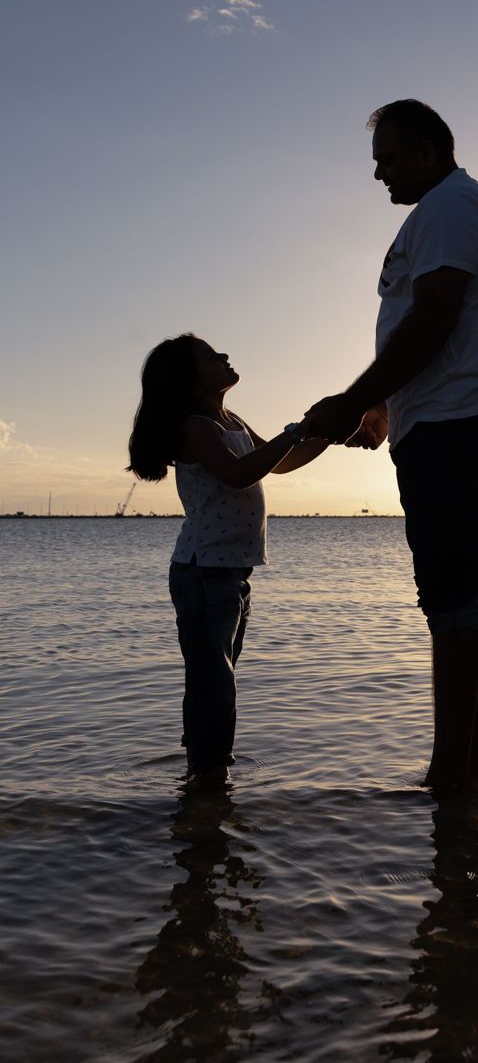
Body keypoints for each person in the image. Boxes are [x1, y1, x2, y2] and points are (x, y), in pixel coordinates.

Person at [306, 100, 478, 787]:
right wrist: (380, 404)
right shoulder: (441, 209)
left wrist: (350, 399)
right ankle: (466, 773)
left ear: (429, 150)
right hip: (451, 414)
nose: (379, 175)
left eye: (389, 159)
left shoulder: (447, 207)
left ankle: (451, 779)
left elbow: (433, 319)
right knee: (472, 588)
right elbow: (424, 324)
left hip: (457, 418)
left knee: (453, 593)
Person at [128, 334, 327, 788]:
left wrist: (332, 431)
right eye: (209, 355)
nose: (223, 356)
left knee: (217, 675)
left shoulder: (229, 419)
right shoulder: (196, 426)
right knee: (212, 678)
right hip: (202, 572)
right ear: (191, 378)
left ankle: (208, 777)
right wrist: (297, 429)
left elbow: (282, 461)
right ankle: (208, 771)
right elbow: (240, 474)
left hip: (231, 571)